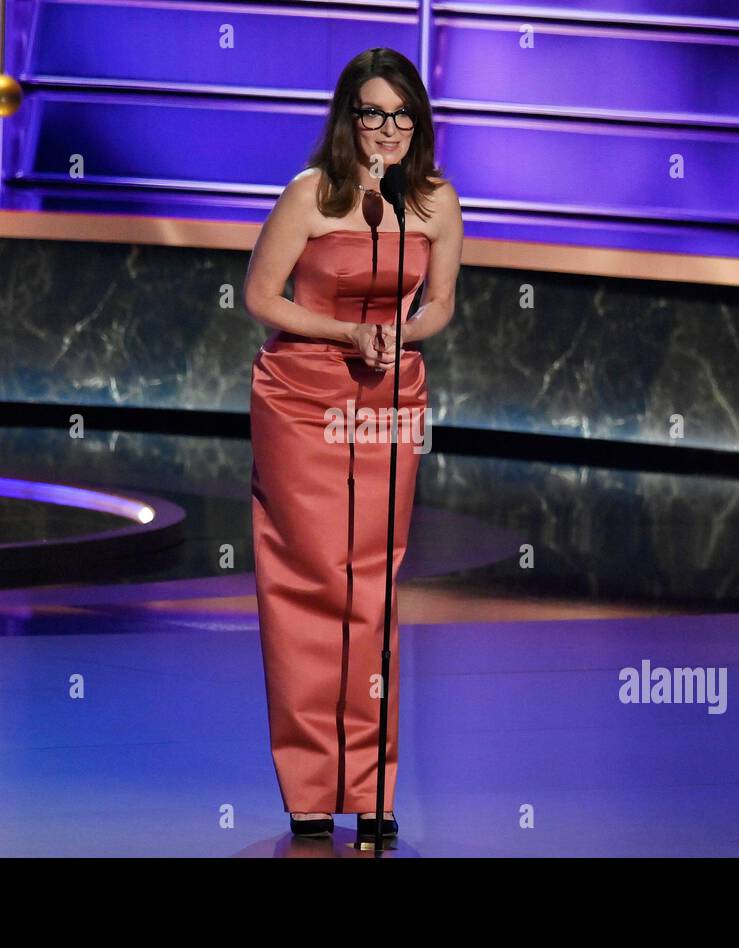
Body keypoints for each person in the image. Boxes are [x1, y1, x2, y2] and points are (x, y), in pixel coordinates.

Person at [242, 47, 463, 839]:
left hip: (389, 394)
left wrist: (394, 333)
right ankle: (308, 786)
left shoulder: (435, 202)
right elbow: (259, 295)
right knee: (310, 579)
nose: (389, 128)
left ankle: (370, 784)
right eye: (373, 112)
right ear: (349, 118)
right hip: (301, 396)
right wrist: (343, 329)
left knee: (372, 581)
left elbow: (438, 305)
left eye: (403, 114)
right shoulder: (311, 196)